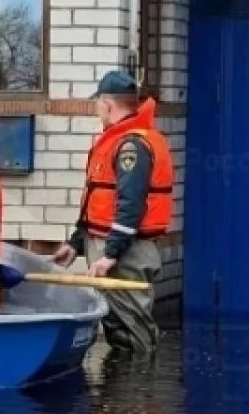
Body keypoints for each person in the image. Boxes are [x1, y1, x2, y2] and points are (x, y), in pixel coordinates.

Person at [52, 70, 174, 354]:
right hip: (113, 248)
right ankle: (123, 392)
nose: (97, 111)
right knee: (119, 328)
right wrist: (77, 242)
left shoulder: (131, 146)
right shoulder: (117, 141)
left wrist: (111, 255)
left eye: (98, 104)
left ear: (108, 104)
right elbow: (98, 198)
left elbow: (131, 204)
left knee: (133, 332)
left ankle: (137, 390)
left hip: (125, 254)